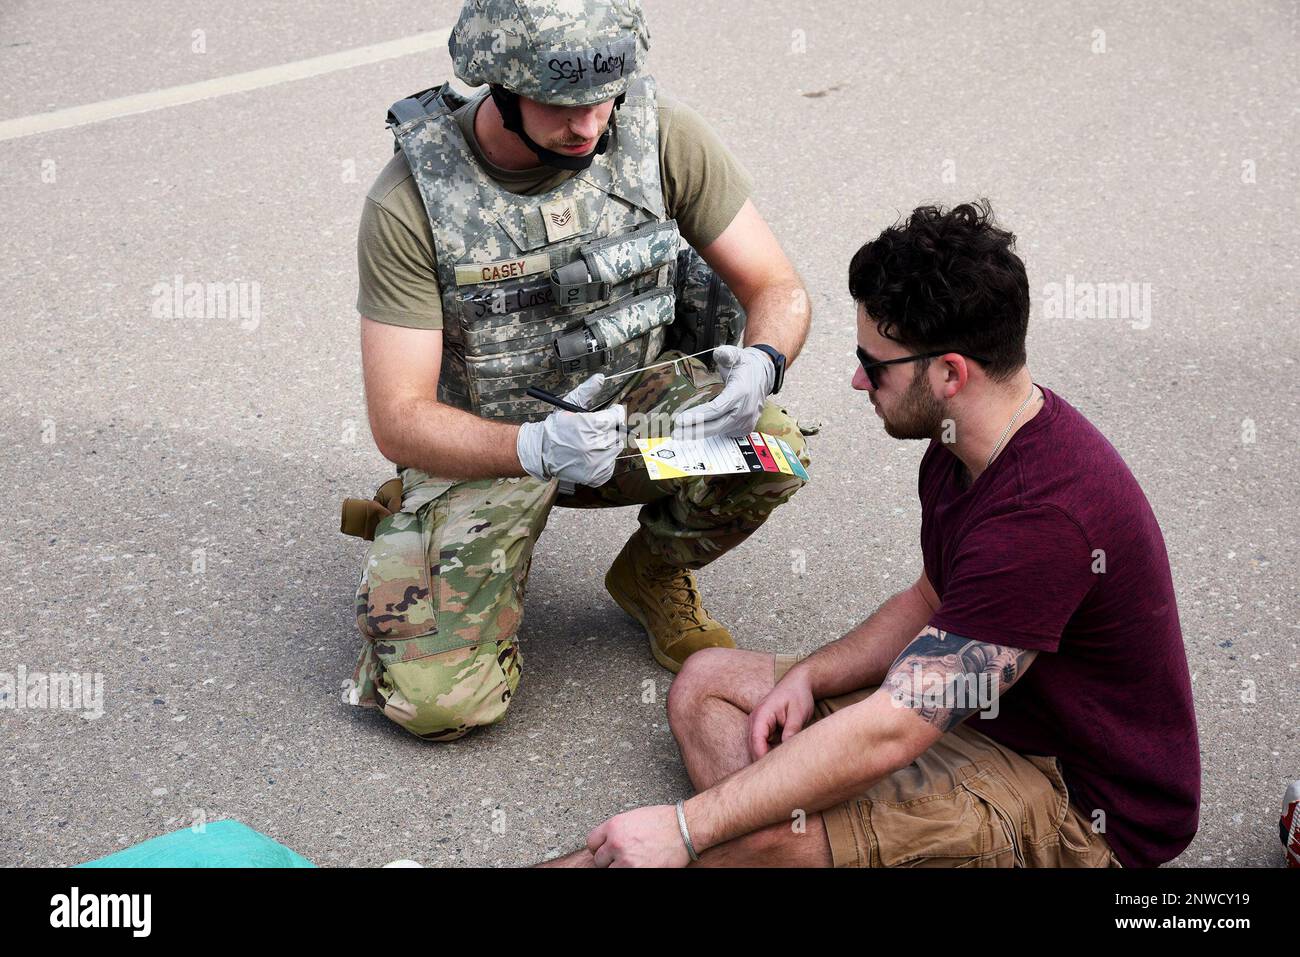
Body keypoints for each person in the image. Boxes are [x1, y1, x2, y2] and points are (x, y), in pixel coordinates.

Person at [554, 200, 1200, 868]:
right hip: (983, 718)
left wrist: (686, 827)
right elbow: (929, 600)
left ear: (951, 372)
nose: (858, 378)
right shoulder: (963, 443)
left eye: (876, 363)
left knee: (754, 834)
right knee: (705, 685)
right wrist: (813, 673)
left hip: (1074, 802)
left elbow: (894, 727)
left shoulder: (1044, 517)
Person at [340, 0, 812, 742]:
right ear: (498, 84)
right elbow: (397, 414)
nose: (590, 125)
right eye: (562, 105)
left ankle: (651, 574)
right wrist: (532, 448)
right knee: (440, 707)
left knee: (772, 448)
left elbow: (776, 288)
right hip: (485, 451)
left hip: (630, 423)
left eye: (604, 98)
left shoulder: (661, 136)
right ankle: (433, 539)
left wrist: (764, 358)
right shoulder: (410, 201)